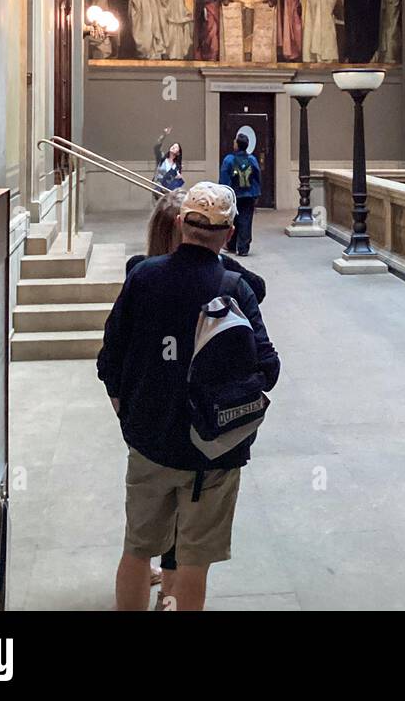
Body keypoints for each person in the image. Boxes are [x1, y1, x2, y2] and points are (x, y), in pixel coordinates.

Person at [97, 182, 279, 612]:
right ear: (229, 234)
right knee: (194, 562)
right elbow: (268, 369)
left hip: (149, 441)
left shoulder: (142, 276)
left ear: (181, 225)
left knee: (137, 549)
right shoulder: (236, 288)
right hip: (213, 453)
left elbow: (110, 359)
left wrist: (129, 416)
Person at [219, 134, 261, 256]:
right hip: (249, 195)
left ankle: (231, 244)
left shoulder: (229, 159)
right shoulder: (252, 159)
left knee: (232, 219)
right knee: (246, 220)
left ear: (237, 144)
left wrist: (223, 192)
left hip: (233, 195)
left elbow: (224, 177)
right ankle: (243, 248)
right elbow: (257, 177)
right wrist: (256, 194)